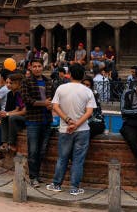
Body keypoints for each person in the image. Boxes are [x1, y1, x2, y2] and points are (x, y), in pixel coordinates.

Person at [47, 63, 97, 196]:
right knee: (78, 160)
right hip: (82, 129)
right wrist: (77, 124)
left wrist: (68, 120)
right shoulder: (88, 91)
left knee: (62, 158)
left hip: (65, 129)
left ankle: (56, 184)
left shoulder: (61, 88)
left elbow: (55, 107)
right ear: (83, 76)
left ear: (69, 75)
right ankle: (74, 187)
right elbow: (89, 112)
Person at [21, 59, 53, 187]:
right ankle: (33, 177)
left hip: (47, 120)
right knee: (33, 150)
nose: (37, 68)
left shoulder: (48, 81)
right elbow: (26, 99)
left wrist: (51, 105)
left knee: (42, 150)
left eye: (39, 66)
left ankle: (37, 175)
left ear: (42, 67)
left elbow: (52, 98)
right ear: (30, 67)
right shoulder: (26, 81)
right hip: (33, 120)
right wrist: (43, 103)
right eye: (35, 66)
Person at [0, 73, 26, 154]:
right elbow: (17, 109)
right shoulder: (17, 93)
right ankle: (4, 144)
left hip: (28, 117)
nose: (10, 85)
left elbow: (24, 111)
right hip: (20, 116)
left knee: (12, 117)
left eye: (12, 83)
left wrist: (8, 114)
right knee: (3, 116)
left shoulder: (24, 93)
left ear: (18, 84)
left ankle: (12, 144)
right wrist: (5, 113)